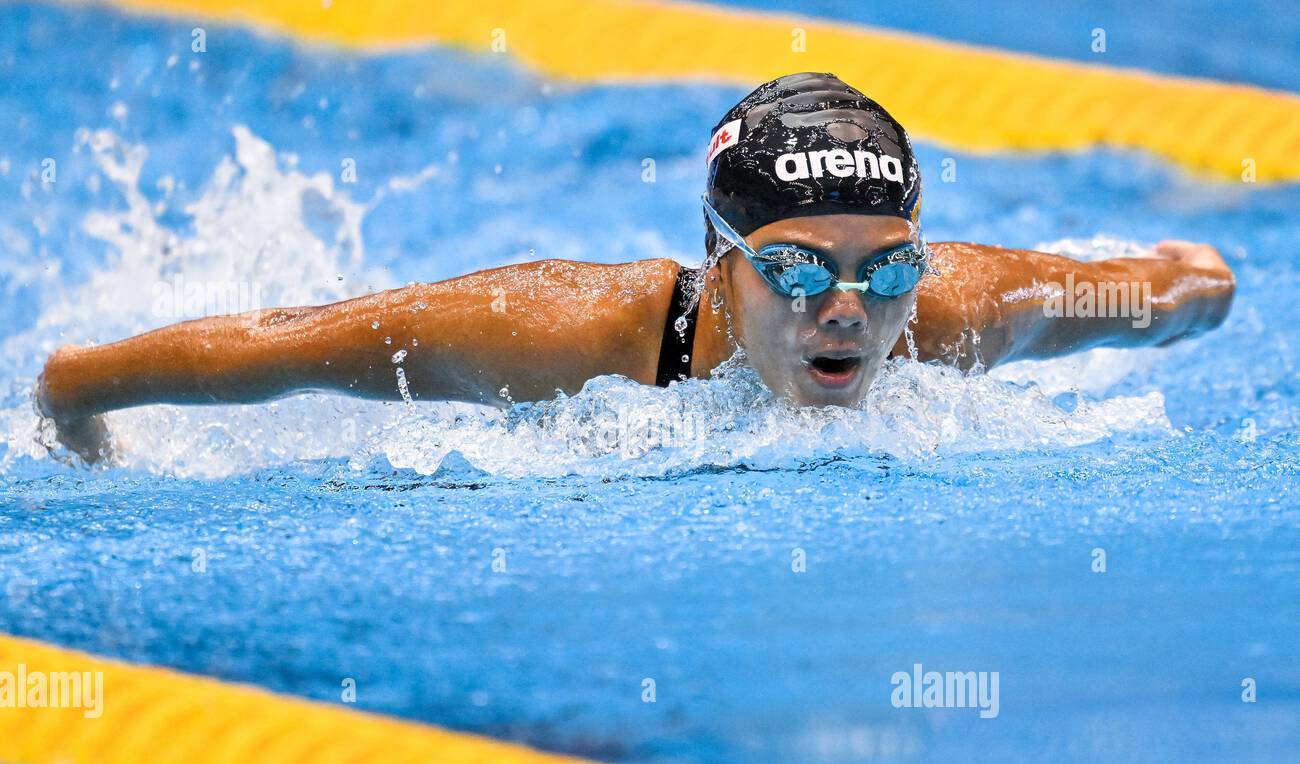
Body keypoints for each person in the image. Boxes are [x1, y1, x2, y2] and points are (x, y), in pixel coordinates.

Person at [35, 73, 1235, 464]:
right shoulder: (566, 333)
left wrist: (1199, 283)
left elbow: (1167, 291)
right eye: (798, 267)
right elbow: (284, 345)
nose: (847, 311)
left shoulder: (950, 314)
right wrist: (74, 396)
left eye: (886, 269)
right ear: (719, 266)